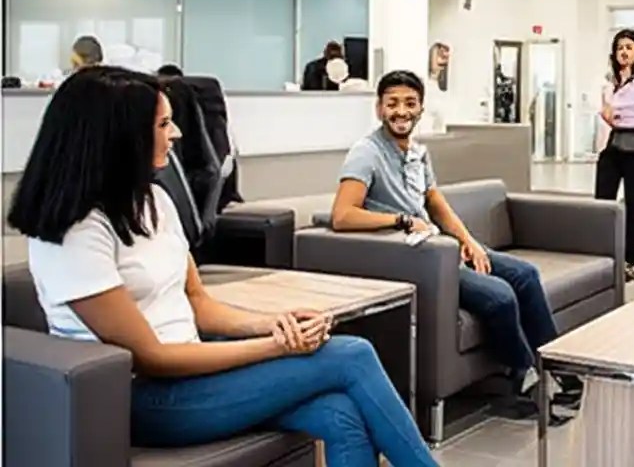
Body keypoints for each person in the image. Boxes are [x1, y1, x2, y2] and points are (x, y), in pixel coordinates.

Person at [7, 66, 435, 467]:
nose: (175, 134)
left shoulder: (153, 200)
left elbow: (197, 302)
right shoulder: (74, 231)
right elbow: (152, 357)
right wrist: (279, 346)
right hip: (141, 397)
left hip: (192, 375)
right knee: (352, 354)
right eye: (162, 125)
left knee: (339, 413)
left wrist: (276, 324)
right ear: (117, 137)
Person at [330, 70, 582, 406]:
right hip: (414, 257)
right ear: (379, 109)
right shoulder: (366, 152)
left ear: (421, 109)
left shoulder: (418, 152)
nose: (401, 111)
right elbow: (342, 215)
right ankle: (526, 374)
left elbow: (435, 201)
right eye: (392, 104)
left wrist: (469, 240)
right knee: (500, 296)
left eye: (410, 103)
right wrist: (402, 220)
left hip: (439, 246)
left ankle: (557, 369)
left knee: (525, 275)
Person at [593, 29, 634, 282]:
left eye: (629, 47)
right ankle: (603, 257)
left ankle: (630, 261)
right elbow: (606, 113)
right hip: (613, 145)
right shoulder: (608, 82)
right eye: (620, 47)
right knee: (603, 203)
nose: (624, 52)